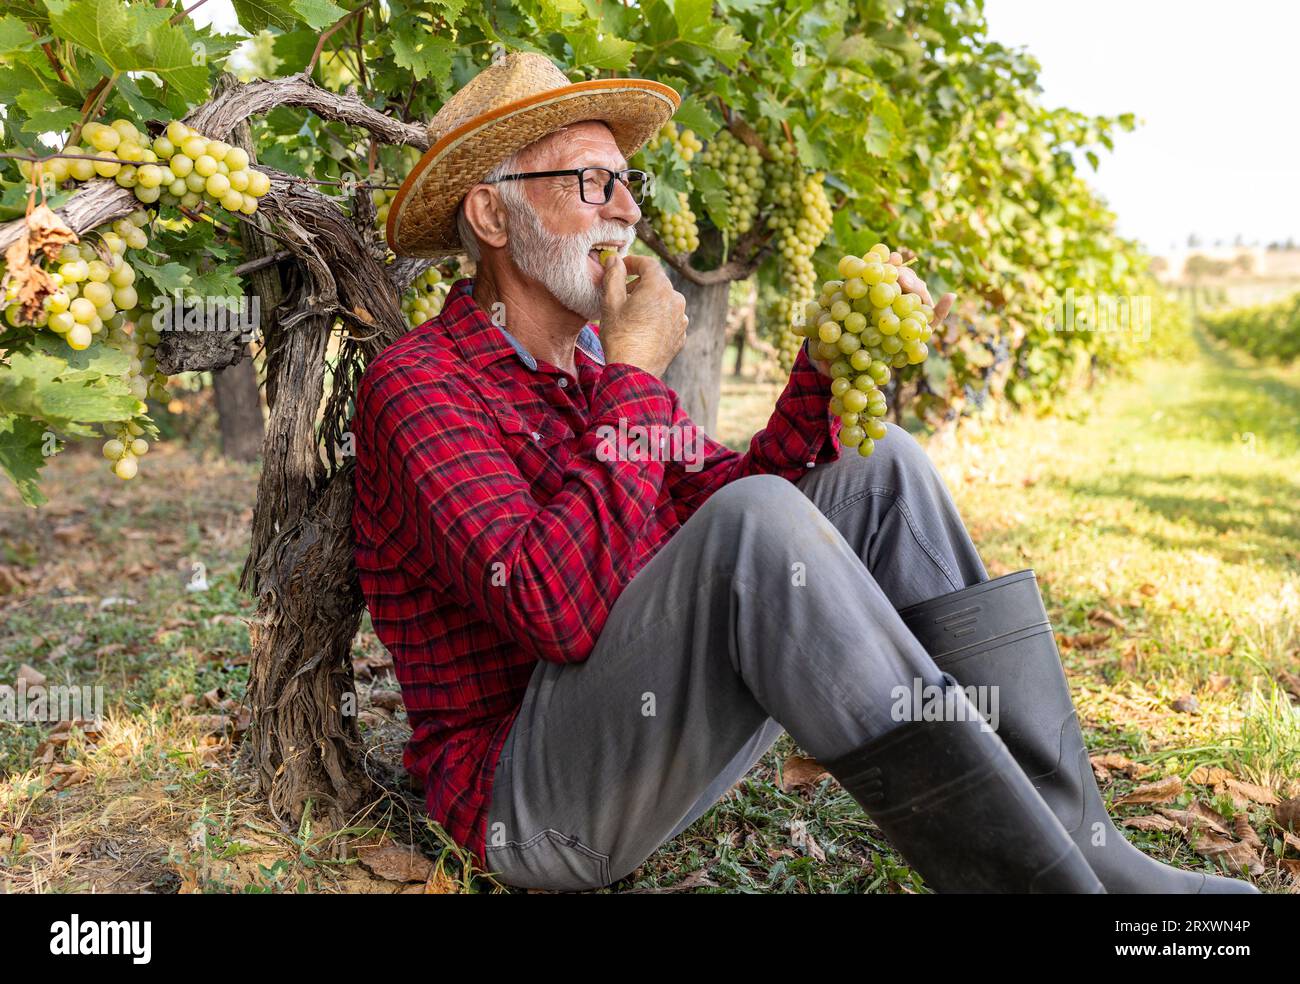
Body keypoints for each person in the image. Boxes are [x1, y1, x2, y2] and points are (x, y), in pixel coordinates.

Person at [355, 52, 1256, 894]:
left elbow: (715, 496)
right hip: (535, 804)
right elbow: (553, 610)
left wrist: (817, 381)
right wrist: (634, 378)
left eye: (627, 183)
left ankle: (1092, 851)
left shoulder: (594, 375)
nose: (626, 209)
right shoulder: (417, 388)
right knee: (755, 524)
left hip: (650, 740)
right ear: (491, 214)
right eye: (591, 183)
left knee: (879, 466)